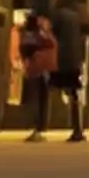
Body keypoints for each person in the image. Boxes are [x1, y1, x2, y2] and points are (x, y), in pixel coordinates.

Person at [51, 0, 89, 142]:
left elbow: (53, 35)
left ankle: (43, 124)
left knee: (50, 88)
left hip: (61, 58)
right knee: (74, 93)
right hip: (74, 58)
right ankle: (78, 128)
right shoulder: (77, 16)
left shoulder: (58, 15)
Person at [18, 12, 58, 142]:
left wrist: (26, 62)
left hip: (35, 68)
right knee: (43, 98)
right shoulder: (47, 35)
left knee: (35, 98)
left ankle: (36, 127)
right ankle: (41, 126)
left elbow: (25, 49)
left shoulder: (30, 35)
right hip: (45, 69)